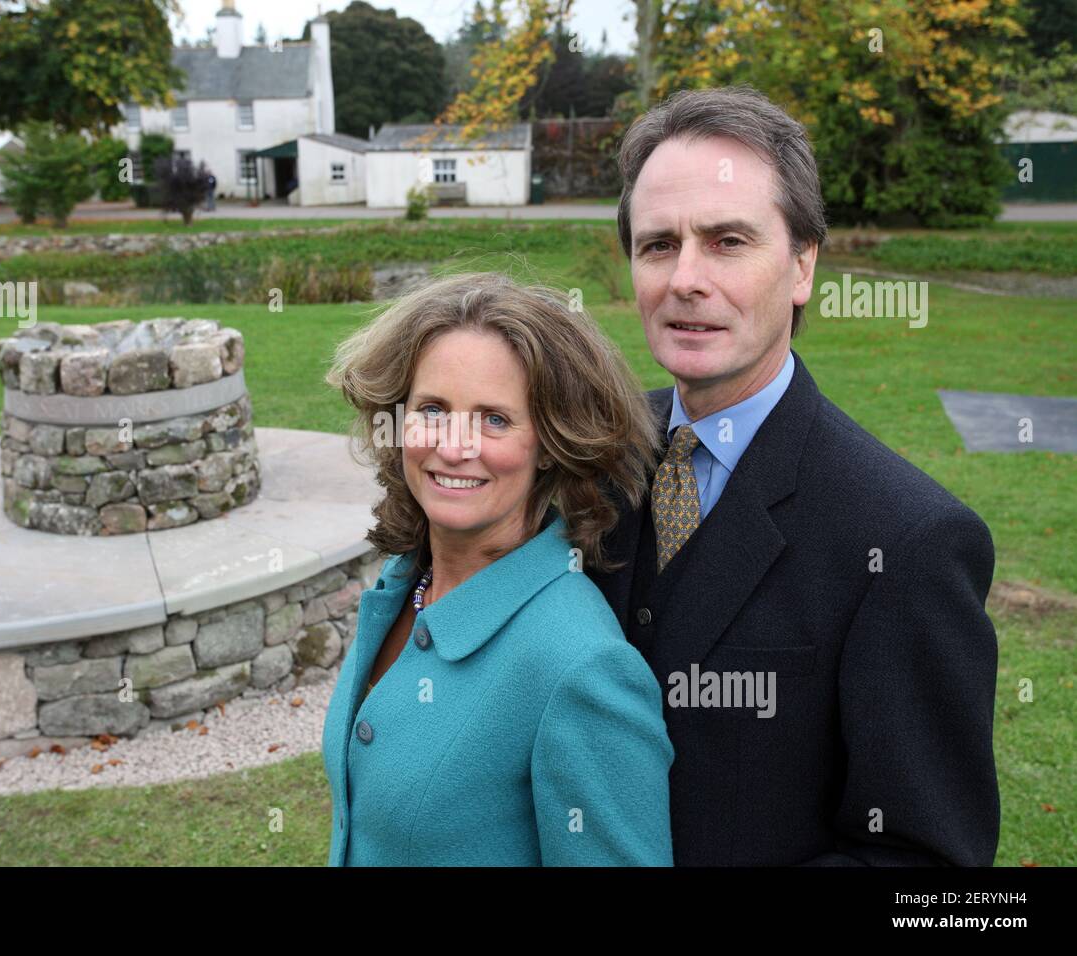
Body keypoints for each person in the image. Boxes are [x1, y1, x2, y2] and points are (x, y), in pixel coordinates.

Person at [586, 85, 1000, 865]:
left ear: (804, 264)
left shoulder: (905, 540)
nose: (685, 279)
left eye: (728, 241)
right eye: (658, 245)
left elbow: (927, 867)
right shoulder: (591, 460)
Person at [321, 272, 674, 866]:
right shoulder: (403, 582)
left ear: (551, 445)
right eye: (433, 408)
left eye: (495, 419)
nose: (455, 446)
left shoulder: (581, 668)